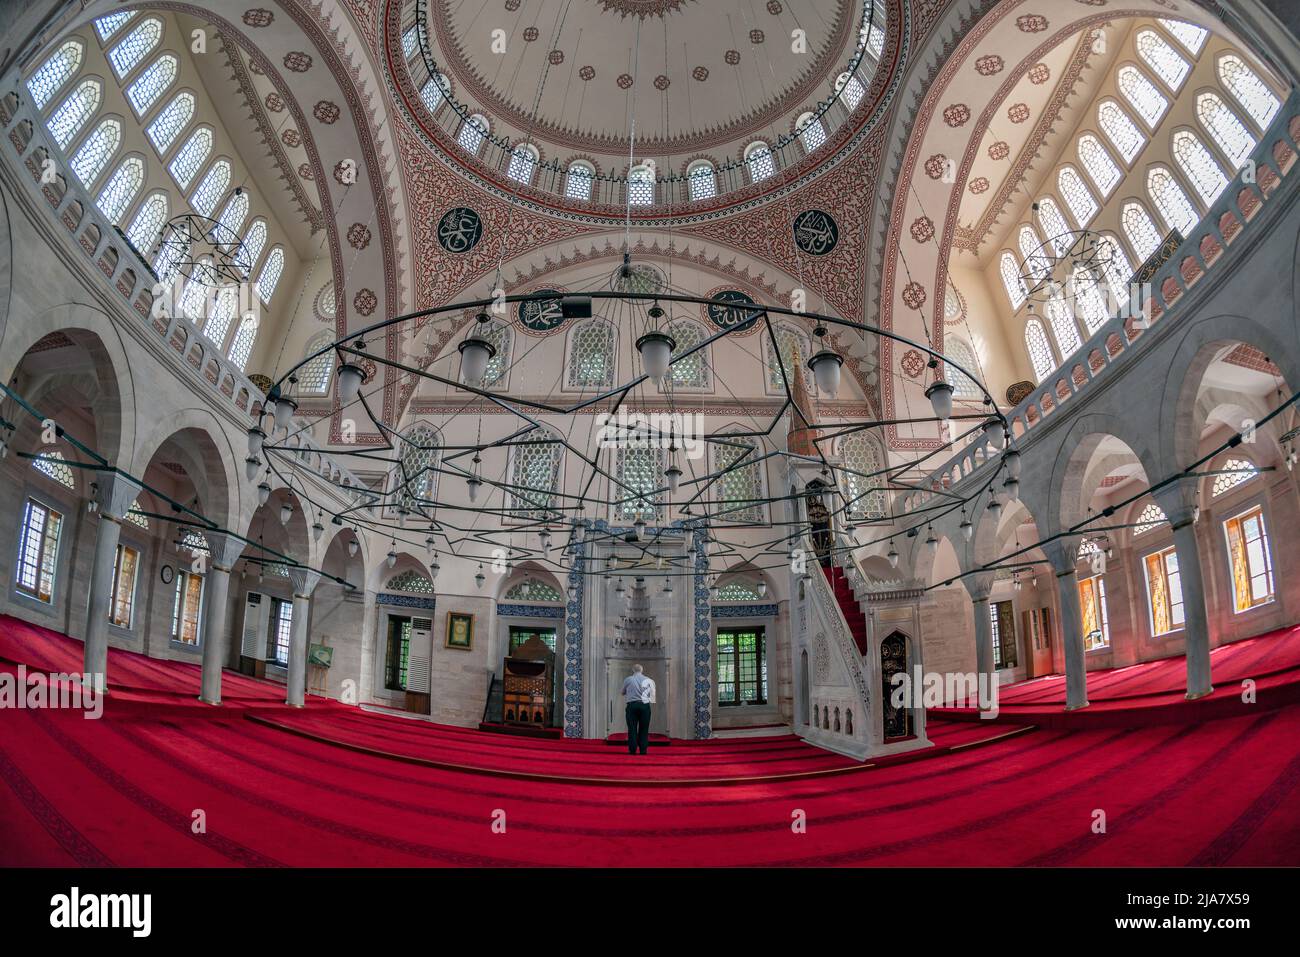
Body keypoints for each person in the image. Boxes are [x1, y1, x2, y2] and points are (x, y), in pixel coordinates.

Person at [621, 664, 655, 755]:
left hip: (632, 706)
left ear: (633, 670)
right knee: (644, 728)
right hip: (645, 706)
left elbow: (622, 692)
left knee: (632, 728)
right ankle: (643, 750)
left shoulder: (628, 679)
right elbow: (652, 694)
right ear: (642, 670)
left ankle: (632, 750)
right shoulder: (648, 680)